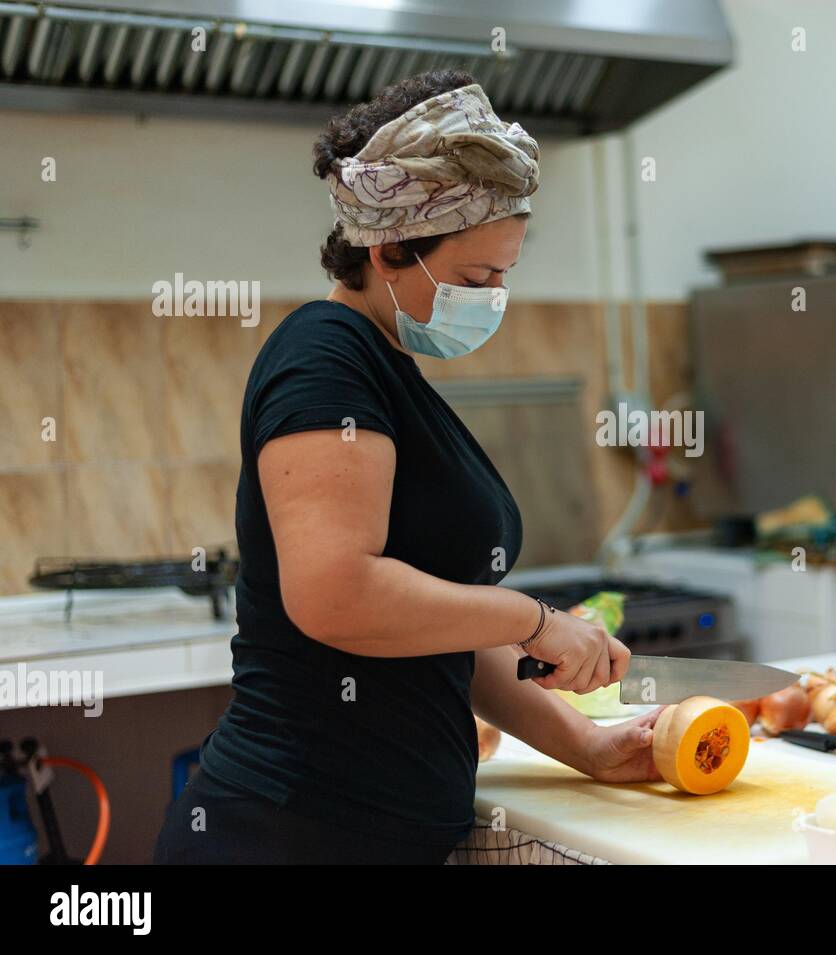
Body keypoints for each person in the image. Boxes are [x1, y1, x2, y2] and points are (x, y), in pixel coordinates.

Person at [154, 69, 661, 865]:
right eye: (476, 278)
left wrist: (590, 746)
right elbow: (336, 595)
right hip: (285, 836)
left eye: (504, 276)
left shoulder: (388, 370)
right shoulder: (323, 360)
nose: (494, 298)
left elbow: (442, 639)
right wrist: (533, 620)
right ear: (389, 250)